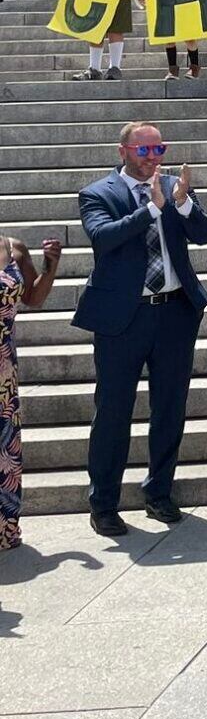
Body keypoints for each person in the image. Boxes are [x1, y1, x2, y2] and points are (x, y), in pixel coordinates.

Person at [75, 123, 207, 536]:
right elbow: (103, 237)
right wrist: (151, 210)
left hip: (174, 311)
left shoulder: (174, 186)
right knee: (114, 412)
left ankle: (159, 493)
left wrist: (184, 205)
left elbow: (205, 234)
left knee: (169, 408)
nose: (153, 156)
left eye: (160, 148)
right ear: (123, 150)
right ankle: (104, 503)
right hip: (123, 317)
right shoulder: (98, 193)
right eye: (144, 149)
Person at [0, 234, 61, 549]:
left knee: (4, 451)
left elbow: (33, 298)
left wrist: (50, 266)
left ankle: (3, 530)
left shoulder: (13, 248)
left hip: (2, 366)